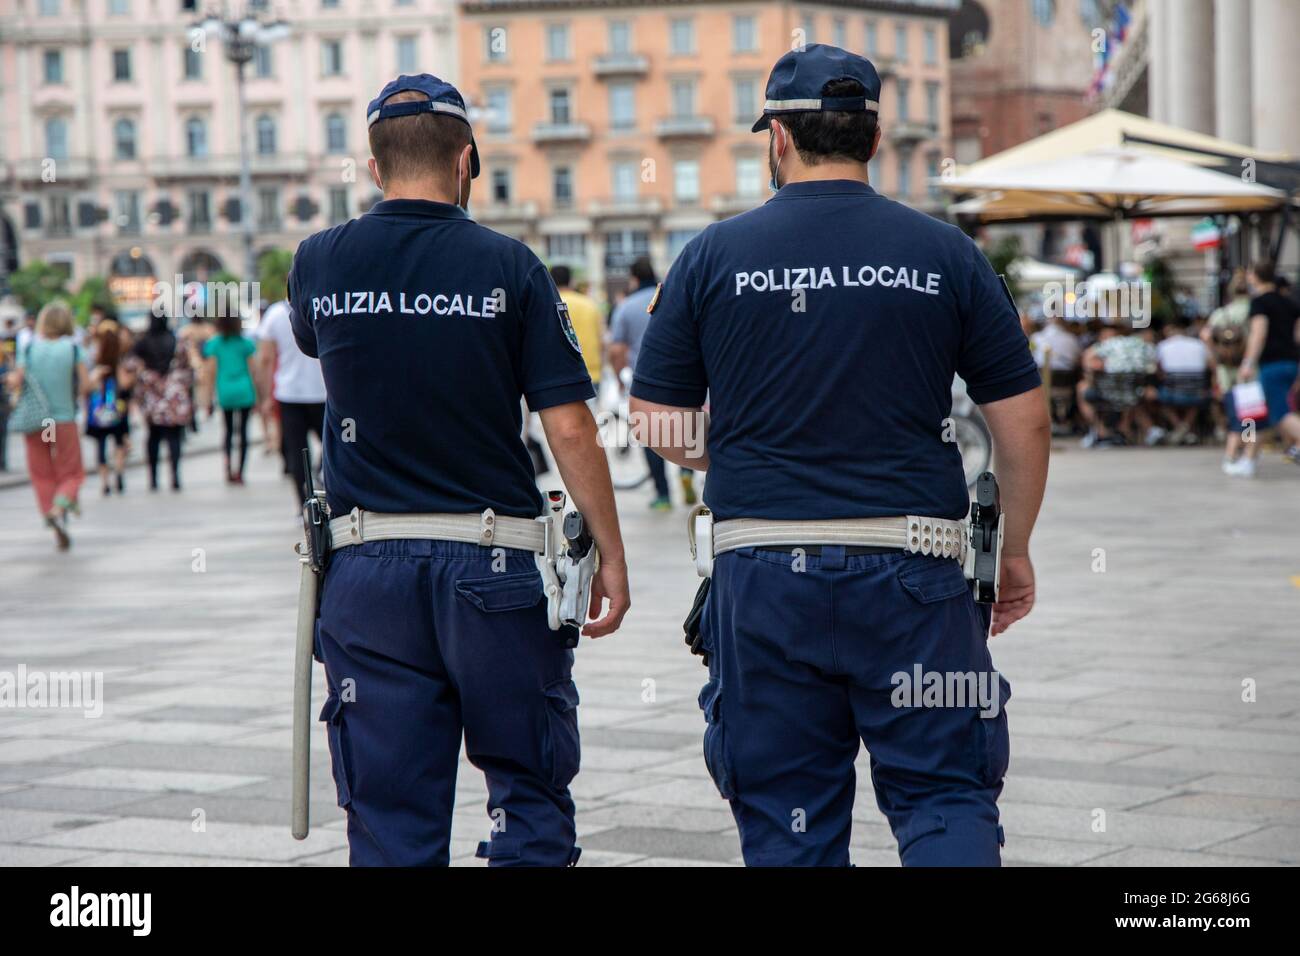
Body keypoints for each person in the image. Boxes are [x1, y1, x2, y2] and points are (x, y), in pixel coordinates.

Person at [629, 45, 1049, 867]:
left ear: (778, 140)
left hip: (762, 576)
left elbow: (655, 419)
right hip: (918, 576)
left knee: (788, 816)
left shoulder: (713, 255)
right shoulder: (948, 254)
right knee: (944, 794)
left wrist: (744, 452)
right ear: (876, 136)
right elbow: (1025, 421)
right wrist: (1017, 550)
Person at [287, 74, 630, 866]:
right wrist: (610, 550)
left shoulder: (319, 262)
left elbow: (314, 343)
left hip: (367, 571)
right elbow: (570, 422)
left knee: (390, 816)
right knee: (529, 793)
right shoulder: (511, 267)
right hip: (498, 566)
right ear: (468, 160)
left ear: (373, 169)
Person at [610, 255, 697, 510]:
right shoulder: (674, 298)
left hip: (646, 382)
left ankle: (663, 495)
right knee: (687, 430)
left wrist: (619, 380)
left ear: (634, 278)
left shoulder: (627, 306)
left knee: (650, 435)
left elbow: (617, 350)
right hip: (685, 380)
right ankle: (686, 472)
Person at [7, 301, 89, 549]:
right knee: (72, 473)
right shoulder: (73, 349)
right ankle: (60, 506)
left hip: (37, 421)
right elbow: (85, 386)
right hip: (63, 420)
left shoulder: (29, 348)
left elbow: (16, 381)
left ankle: (51, 515)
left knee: (42, 473)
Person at [1230, 260, 1300, 476]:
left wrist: (1248, 362)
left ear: (1254, 276)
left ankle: (1248, 460)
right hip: (1290, 363)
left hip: (1271, 364)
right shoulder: (1289, 302)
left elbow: (1258, 334)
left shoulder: (1260, 302)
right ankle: (1248, 460)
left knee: (1280, 413)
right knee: (1262, 413)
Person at [257, 297, 326, 504]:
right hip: (321, 392)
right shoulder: (320, 305)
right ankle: (321, 476)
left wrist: (266, 396)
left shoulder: (275, 315)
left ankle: (303, 504)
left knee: (297, 452)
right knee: (334, 444)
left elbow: (266, 359)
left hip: (289, 393)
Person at [133, 312, 193, 491]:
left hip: (152, 396)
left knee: (153, 437)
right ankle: (175, 475)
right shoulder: (175, 341)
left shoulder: (143, 343)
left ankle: (153, 478)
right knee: (174, 437)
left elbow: (131, 364)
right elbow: (186, 366)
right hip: (172, 395)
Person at [202, 313, 258, 484]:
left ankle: (227, 468)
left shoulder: (214, 344)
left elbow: (210, 372)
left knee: (227, 432)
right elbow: (253, 370)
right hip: (244, 390)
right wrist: (259, 396)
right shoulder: (246, 344)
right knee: (243, 433)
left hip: (225, 391)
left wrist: (208, 397)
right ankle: (240, 471)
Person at [1203, 272, 1251, 467]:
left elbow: (1206, 335)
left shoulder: (1221, 313)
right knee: (1249, 413)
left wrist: (1217, 356)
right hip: (1248, 367)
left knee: (1233, 409)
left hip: (1226, 369)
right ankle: (1246, 450)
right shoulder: (1253, 311)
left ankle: (1233, 450)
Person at [85, 319, 136, 494]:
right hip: (118, 409)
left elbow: (87, 387)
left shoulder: (96, 363)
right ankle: (119, 472)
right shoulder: (118, 363)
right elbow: (126, 384)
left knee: (101, 446)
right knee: (119, 442)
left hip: (98, 411)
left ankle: (105, 481)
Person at [1154, 316, 1214, 446]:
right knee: (1195, 403)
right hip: (1197, 392)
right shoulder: (1199, 344)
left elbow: (1158, 370)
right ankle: (1186, 429)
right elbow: (1211, 365)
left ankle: (1180, 429)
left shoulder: (1163, 345)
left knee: (1159, 401)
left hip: (1172, 392)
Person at [548, 265, 603, 395]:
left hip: (557, 376)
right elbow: (601, 339)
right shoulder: (590, 304)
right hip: (591, 372)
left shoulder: (548, 304)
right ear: (571, 281)